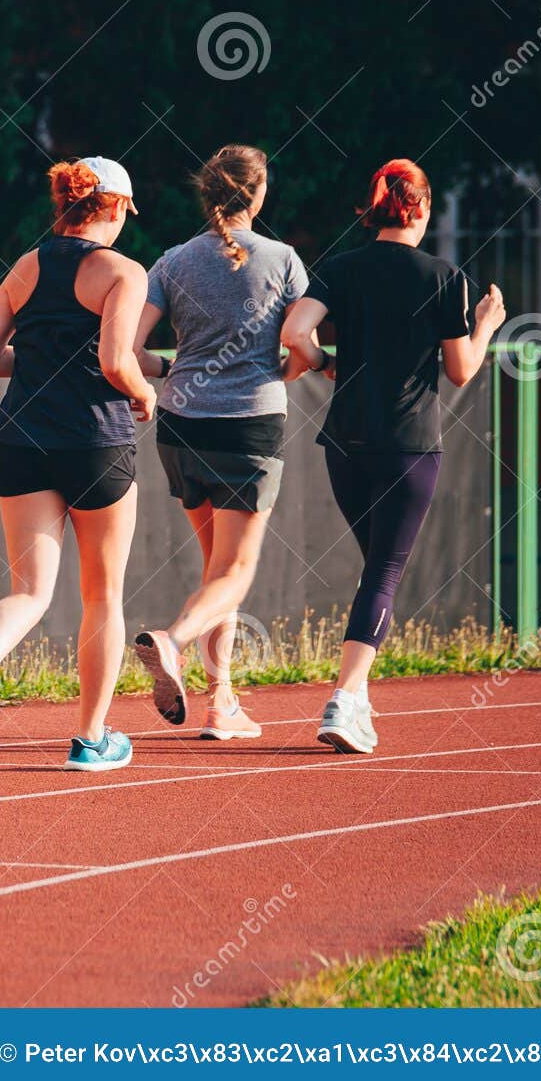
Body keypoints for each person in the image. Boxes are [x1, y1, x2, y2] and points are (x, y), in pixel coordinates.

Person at [282, 158, 506, 753]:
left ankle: (358, 697)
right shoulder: (444, 277)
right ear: (423, 209)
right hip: (409, 445)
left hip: (345, 444)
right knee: (383, 574)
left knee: (377, 573)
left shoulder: (340, 267)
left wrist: (326, 364)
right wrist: (486, 324)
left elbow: (295, 334)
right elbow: (461, 371)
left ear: (376, 207)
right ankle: (344, 698)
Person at [0, 156, 154, 772]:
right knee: (103, 595)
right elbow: (117, 361)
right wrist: (144, 393)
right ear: (114, 206)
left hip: (22, 439)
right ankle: (90, 740)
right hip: (96, 440)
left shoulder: (25, 266)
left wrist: (43, 360)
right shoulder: (124, 271)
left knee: (31, 590)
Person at [130, 145, 309, 740]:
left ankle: (221, 701)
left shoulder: (172, 261)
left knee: (217, 570)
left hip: (181, 424)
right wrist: (287, 372)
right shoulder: (283, 258)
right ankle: (173, 641)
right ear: (259, 194)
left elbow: (129, 348)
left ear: (206, 194)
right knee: (236, 571)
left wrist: (170, 370)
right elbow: (300, 341)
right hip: (248, 424)